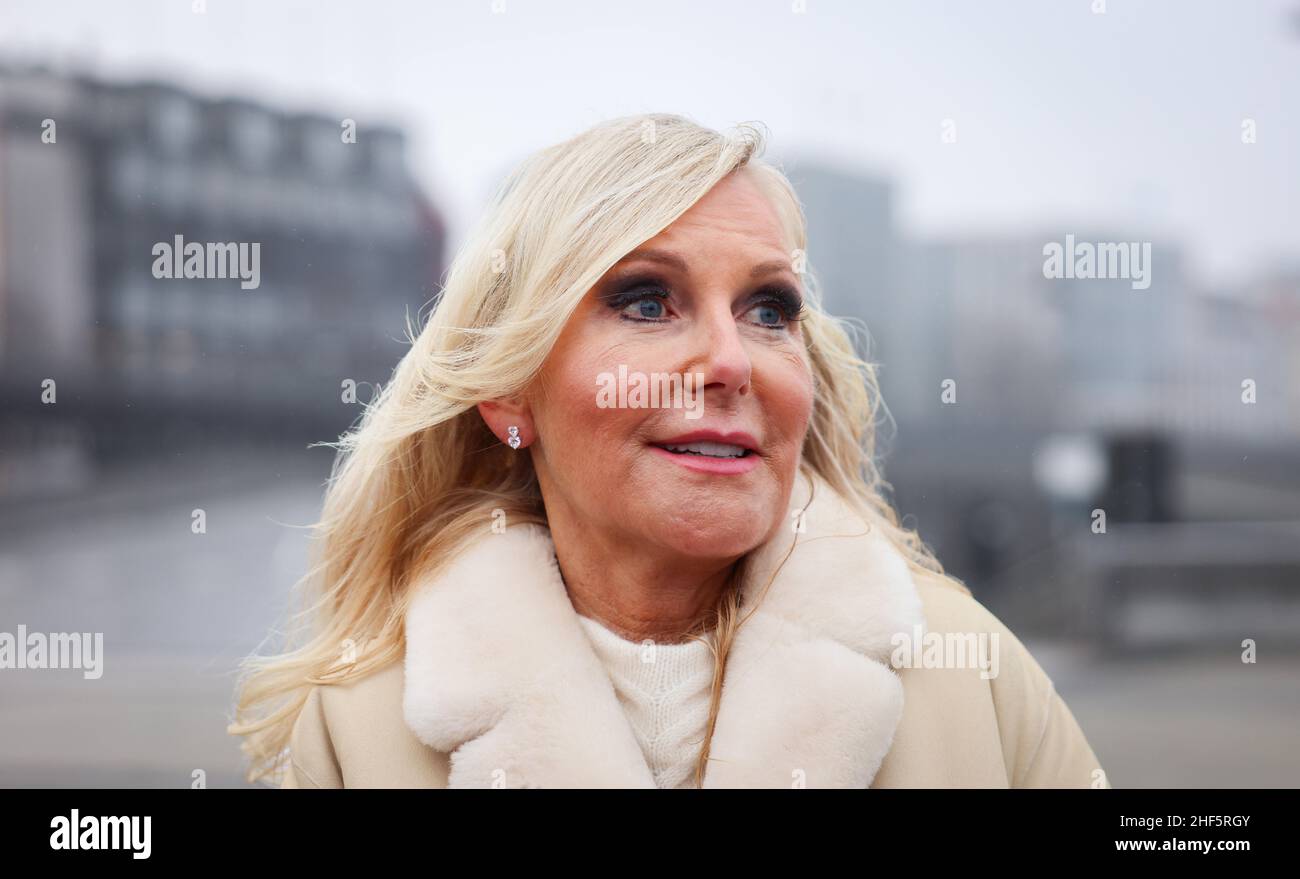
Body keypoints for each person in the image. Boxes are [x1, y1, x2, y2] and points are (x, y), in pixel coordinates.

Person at [230, 113, 1108, 789]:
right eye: (648, 302)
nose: (731, 362)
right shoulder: (360, 730)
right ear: (509, 391)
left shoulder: (976, 681)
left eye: (770, 310)